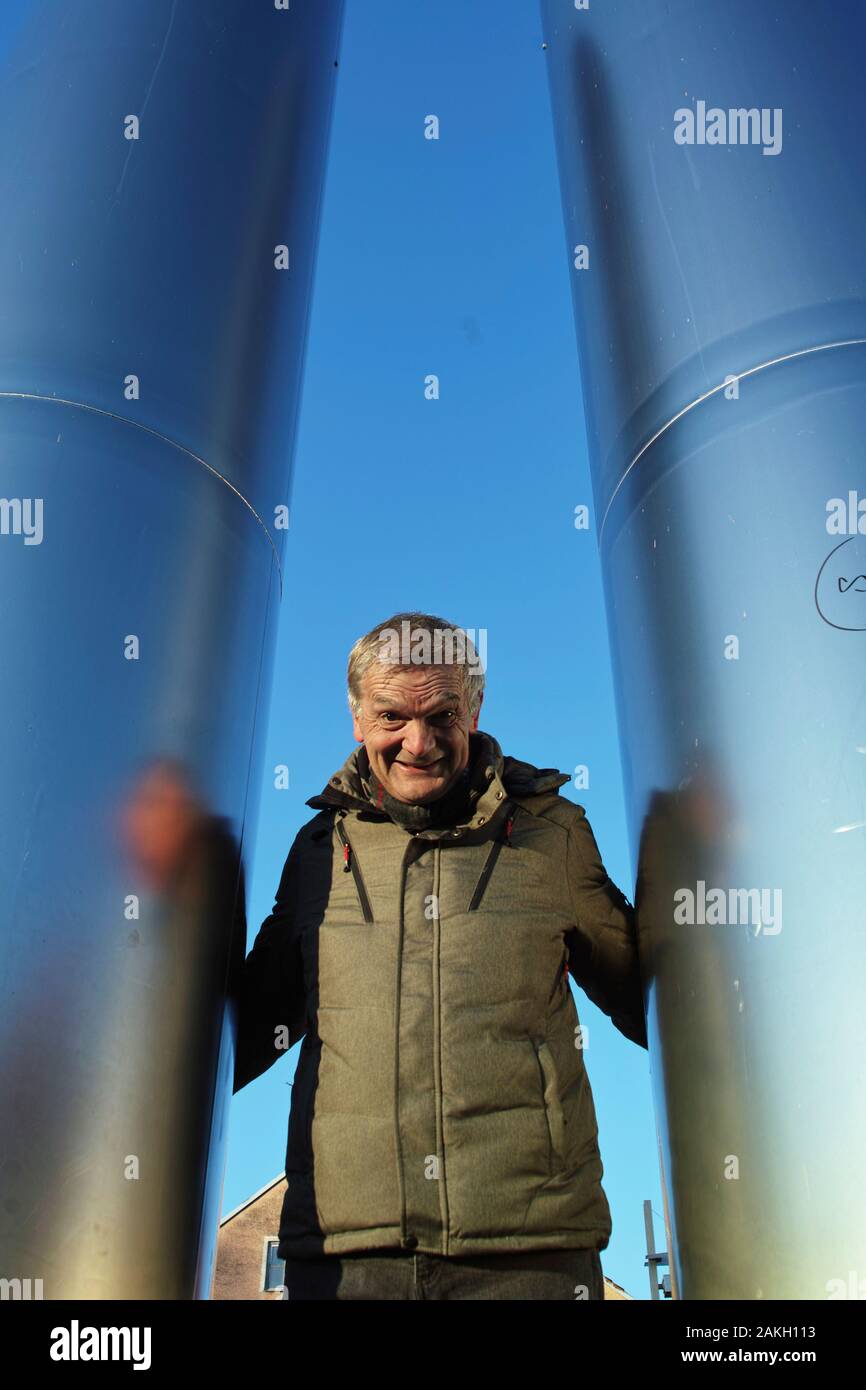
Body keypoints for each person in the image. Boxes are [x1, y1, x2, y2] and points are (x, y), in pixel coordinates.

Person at [231, 611, 647, 1300]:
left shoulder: (554, 835)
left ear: (475, 711)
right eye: (392, 715)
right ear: (357, 718)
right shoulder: (316, 851)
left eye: (443, 715)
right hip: (344, 1255)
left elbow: (651, 1000)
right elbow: (246, 1030)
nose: (418, 742)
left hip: (529, 1254)